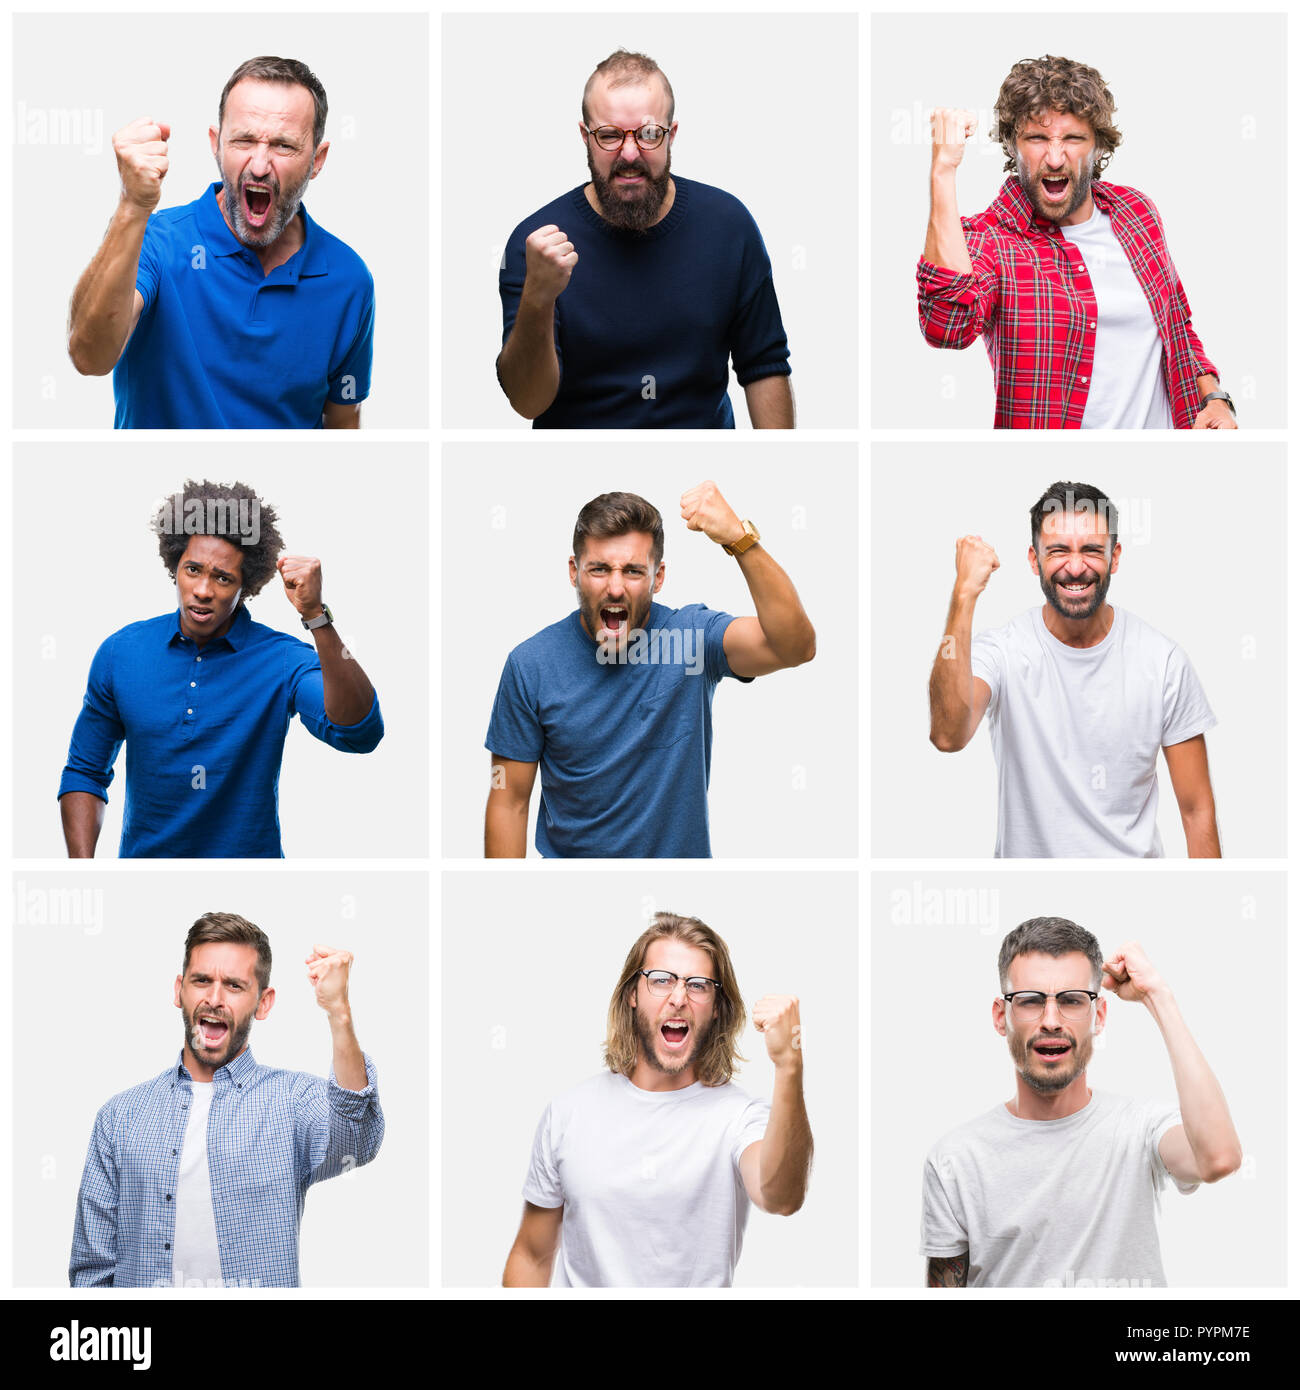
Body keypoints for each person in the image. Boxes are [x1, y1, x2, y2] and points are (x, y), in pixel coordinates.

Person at [484, 480, 815, 858]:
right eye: (599, 569)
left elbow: (795, 647)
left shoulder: (692, 639)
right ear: (574, 572)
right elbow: (509, 801)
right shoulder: (530, 664)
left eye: (633, 571)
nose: (615, 588)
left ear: (658, 577)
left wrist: (740, 540)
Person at [58, 478, 383, 858]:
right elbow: (85, 772)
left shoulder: (281, 660)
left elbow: (359, 732)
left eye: (223, 578)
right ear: (174, 566)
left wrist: (316, 616)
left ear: (246, 587)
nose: (203, 590)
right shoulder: (121, 653)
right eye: (193, 570)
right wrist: (85, 872)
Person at [918, 55, 1236, 430]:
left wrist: (1215, 399)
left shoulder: (1137, 213)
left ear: (1098, 145)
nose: (1055, 158)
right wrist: (943, 170)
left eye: (1072, 138)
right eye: (1036, 138)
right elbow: (946, 327)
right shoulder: (991, 239)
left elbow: (1177, 326)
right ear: (1012, 145)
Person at [921, 917, 1241, 1288]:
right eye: (1030, 1001)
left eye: (1072, 1000)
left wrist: (1158, 997)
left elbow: (1219, 1158)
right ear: (1000, 1016)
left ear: (1099, 1016)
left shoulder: (1140, 1129)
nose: (1051, 1021)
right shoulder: (955, 1159)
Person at [70, 913, 384, 1287]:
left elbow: (357, 1140)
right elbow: (92, 1270)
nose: (215, 999)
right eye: (202, 980)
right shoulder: (120, 1117)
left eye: (234, 985)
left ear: (263, 1003)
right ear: (179, 990)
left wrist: (339, 1013)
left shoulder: (292, 1102)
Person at [503, 912, 812, 1287]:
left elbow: (781, 1197)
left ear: (716, 1006)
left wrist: (789, 1066)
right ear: (632, 994)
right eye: (661, 980)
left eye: (698, 985)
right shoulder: (567, 1114)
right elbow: (532, 1255)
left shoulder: (738, 1118)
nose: (679, 998)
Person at [67, 55, 374, 428]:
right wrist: (132, 205)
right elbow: (89, 356)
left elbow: (343, 422)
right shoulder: (156, 241)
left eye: (283, 146)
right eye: (244, 140)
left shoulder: (348, 280)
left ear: (317, 160)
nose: (259, 166)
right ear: (216, 144)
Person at [497, 48, 793, 428]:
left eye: (649, 134)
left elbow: (765, 366)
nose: (629, 153)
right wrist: (538, 298)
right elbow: (528, 401)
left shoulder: (729, 226)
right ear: (585, 137)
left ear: (672, 135)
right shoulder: (537, 243)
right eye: (609, 135)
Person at [928, 480, 1219, 857]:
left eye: (1092, 550)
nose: (1076, 567)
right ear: (1034, 560)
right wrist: (964, 593)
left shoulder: (1162, 661)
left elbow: (1197, 811)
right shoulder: (1002, 651)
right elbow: (947, 735)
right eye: (1059, 550)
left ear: (1115, 557)